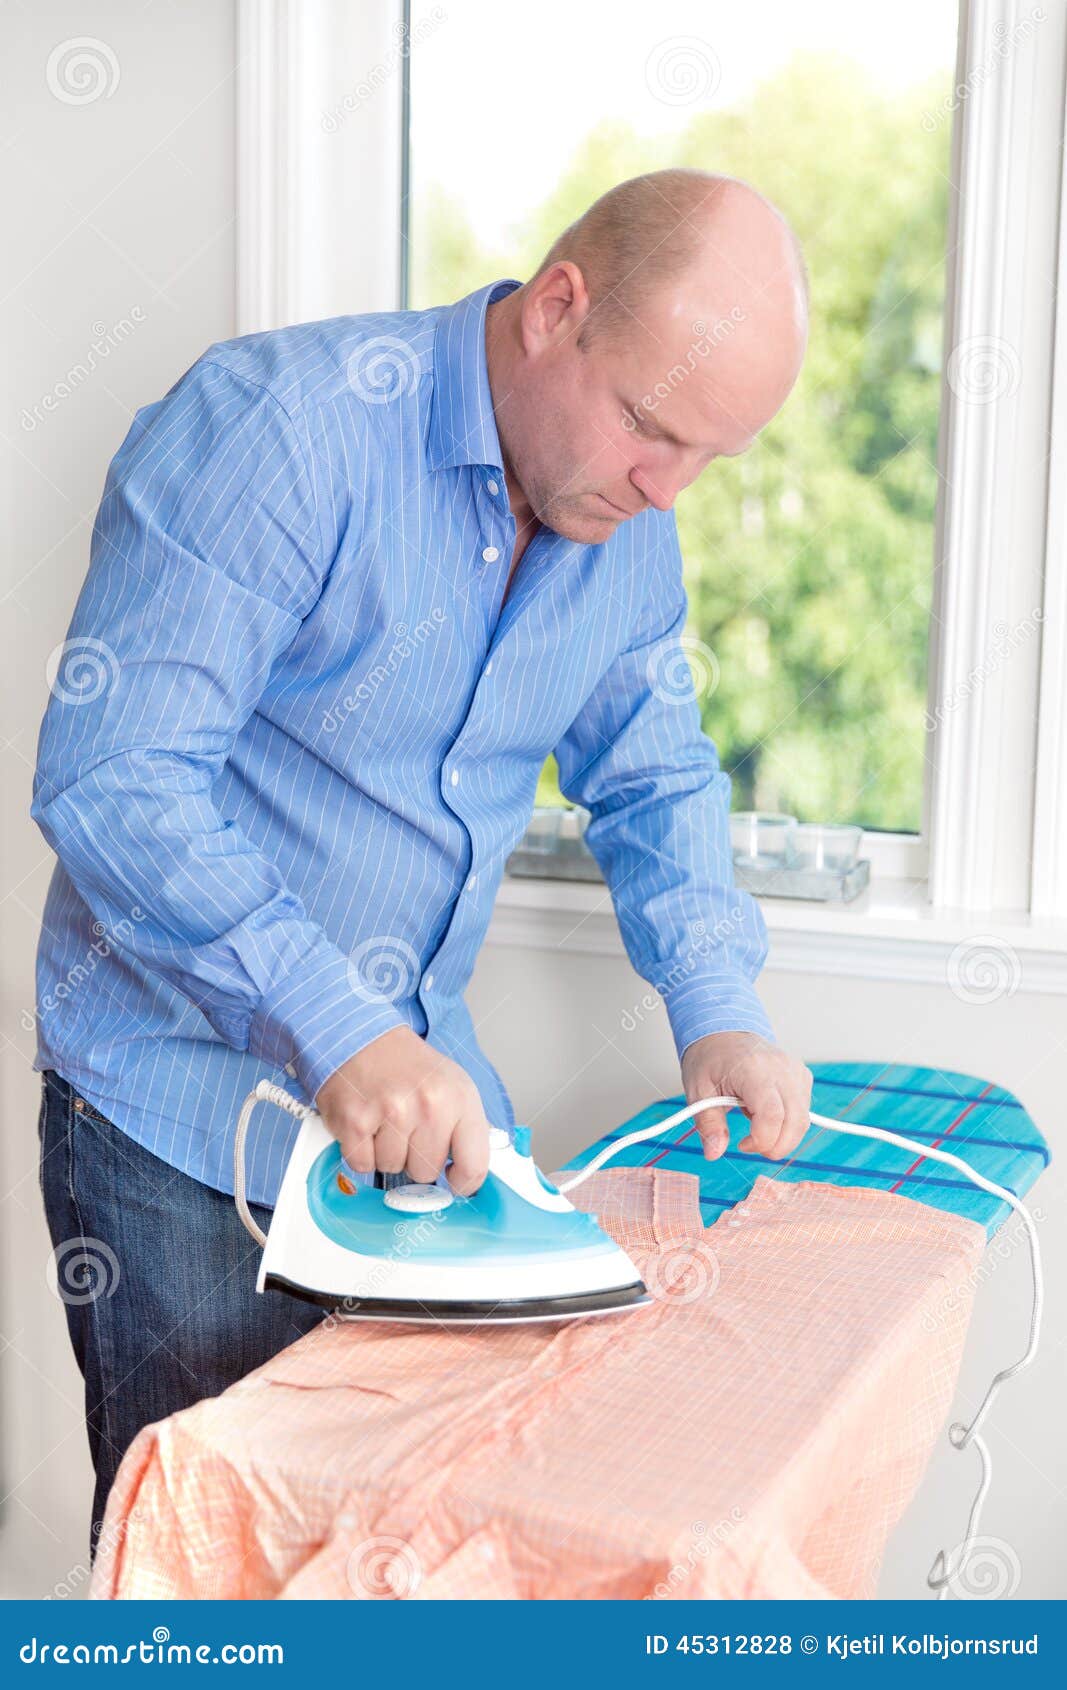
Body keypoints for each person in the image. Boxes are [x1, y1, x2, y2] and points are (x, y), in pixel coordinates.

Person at [31, 167, 814, 1549]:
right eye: (648, 426)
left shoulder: (625, 525)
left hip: (420, 1151)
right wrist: (338, 1030)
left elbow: (656, 774)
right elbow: (114, 779)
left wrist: (720, 1008)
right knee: (213, 1572)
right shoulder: (277, 430)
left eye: (707, 456)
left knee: (401, 1557)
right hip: (181, 1131)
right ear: (555, 308)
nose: (666, 486)